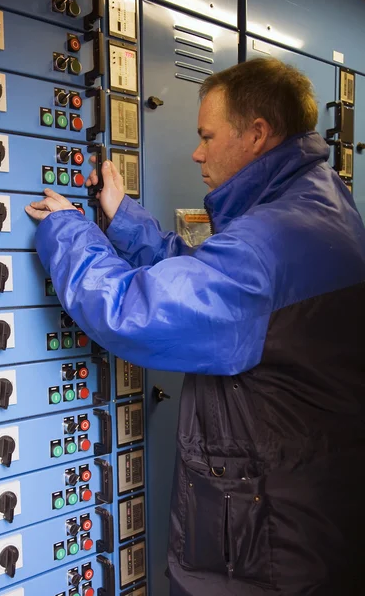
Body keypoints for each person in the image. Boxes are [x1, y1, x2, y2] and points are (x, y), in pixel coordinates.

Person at [26, 57, 365, 596]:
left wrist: (68, 230)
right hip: (312, 521)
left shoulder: (270, 246)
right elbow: (209, 279)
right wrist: (124, 222)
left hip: (267, 551)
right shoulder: (318, 205)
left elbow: (129, 312)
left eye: (207, 135)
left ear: (257, 135)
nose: (196, 152)